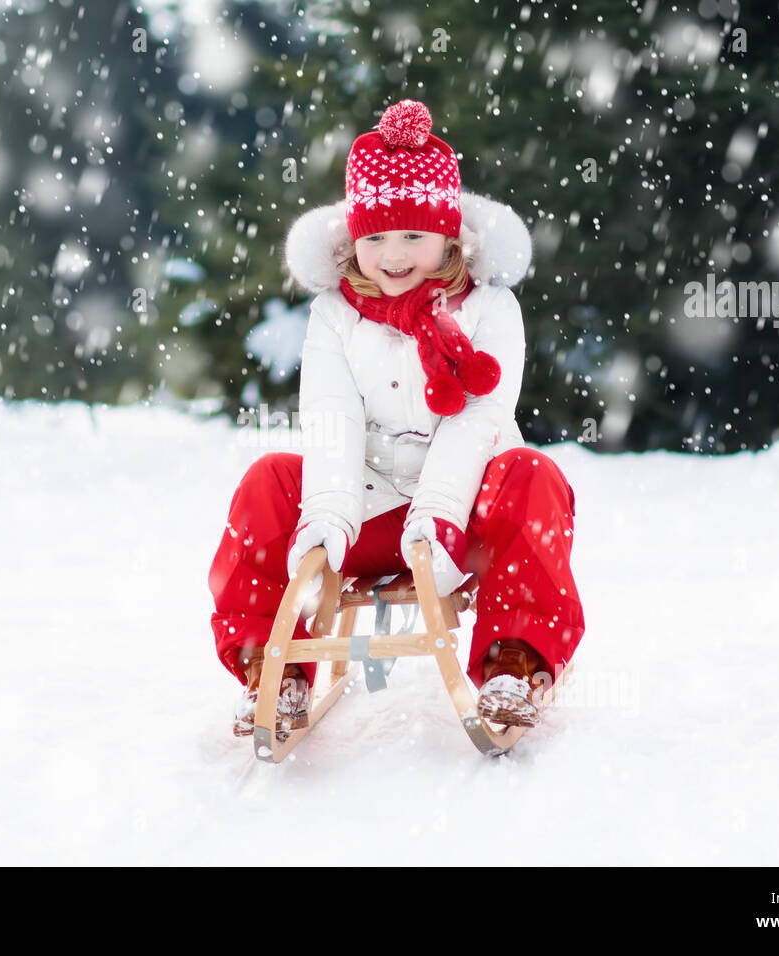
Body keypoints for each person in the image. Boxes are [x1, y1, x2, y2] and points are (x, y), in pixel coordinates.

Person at [208, 99, 585, 743]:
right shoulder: (336, 314)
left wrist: (438, 517)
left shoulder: (491, 310)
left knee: (533, 476)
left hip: (463, 518)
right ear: (353, 238)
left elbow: (478, 418)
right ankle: (272, 669)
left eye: (413, 233)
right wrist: (326, 515)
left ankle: (512, 665)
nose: (394, 254)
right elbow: (330, 417)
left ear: (448, 235)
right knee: (267, 482)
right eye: (376, 236)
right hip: (369, 507)